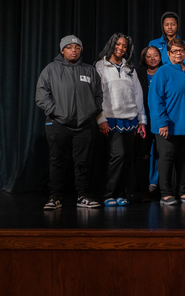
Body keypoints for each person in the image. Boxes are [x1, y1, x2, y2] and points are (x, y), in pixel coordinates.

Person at [37, 35, 103, 209]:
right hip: (58, 123)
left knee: (83, 162)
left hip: (84, 125)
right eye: (69, 47)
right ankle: (55, 198)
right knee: (57, 161)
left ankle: (83, 196)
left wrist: (92, 111)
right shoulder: (51, 69)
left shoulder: (89, 70)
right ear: (62, 50)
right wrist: (55, 111)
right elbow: (41, 94)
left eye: (77, 47)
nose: (74, 50)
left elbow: (98, 95)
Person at [94, 33, 147, 207]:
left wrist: (142, 120)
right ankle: (108, 193)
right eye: (118, 44)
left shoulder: (129, 68)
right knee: (117, 155)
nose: (121, 48)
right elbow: (97, 94)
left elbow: (138, 95)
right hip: (111, 119)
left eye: (124, 46)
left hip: (130, 119)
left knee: (127, 159)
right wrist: (100, 118)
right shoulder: (100, 66)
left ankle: (120, 193)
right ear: (112, 44)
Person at [149, 38, 185, 205]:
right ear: (168, 53)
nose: (179, 53)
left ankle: (183, 192)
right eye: (175, 51)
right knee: (167, 158)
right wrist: (162, 122)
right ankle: (166, 193)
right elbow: (155, 99)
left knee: (184, 160)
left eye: (181, 51)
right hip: (167, 126)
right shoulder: (162, 72)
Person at [134, 46, 162, 199]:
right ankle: (143, 188)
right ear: (144, 58)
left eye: (155, 55)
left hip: (161, 121)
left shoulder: (165, 72)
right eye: (149, 56)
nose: (152, 58)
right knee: (143, 155)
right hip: (143, 120)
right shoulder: (138, 74)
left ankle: (158, 186)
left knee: (162, 154)